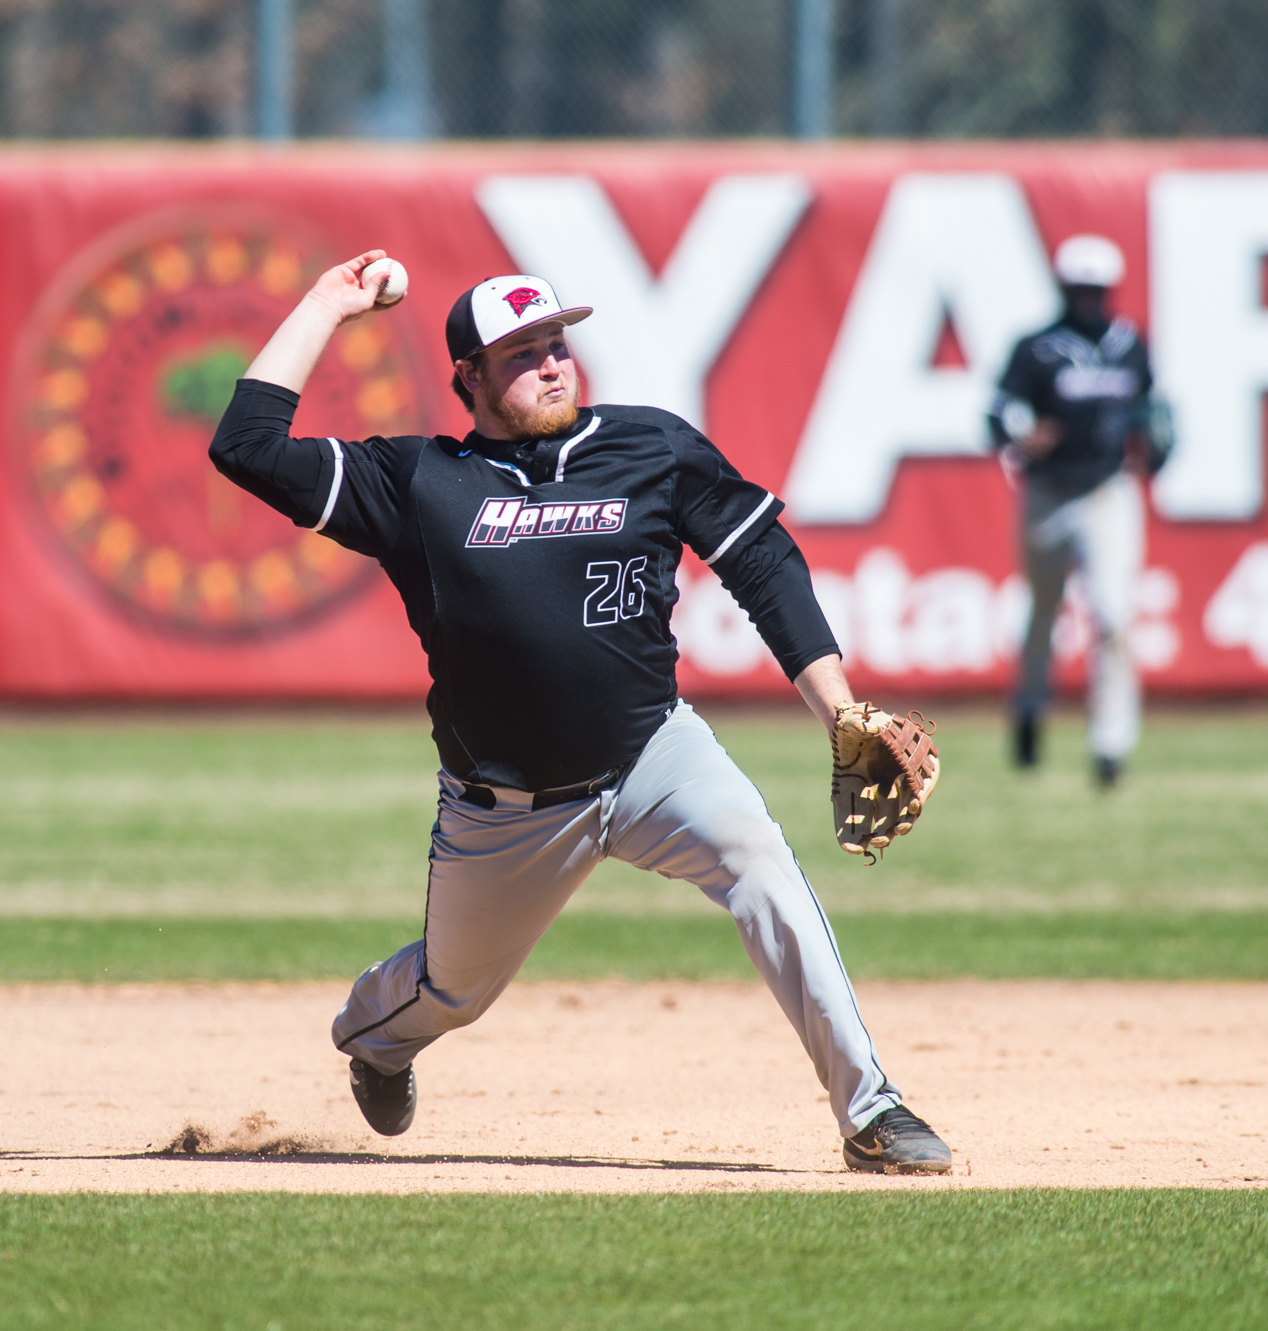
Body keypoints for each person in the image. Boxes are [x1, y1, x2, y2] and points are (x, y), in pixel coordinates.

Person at [209, 253, 952, 1175]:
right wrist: (327, 304)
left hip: (653, 752)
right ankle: (375, 1039)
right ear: (468, 379)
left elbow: (761, 563)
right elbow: (245, 448)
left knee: (762, 861)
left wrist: (839, 711)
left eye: (557, 341)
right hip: (507, 804)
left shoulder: (652, 448)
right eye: (521, 352)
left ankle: (871, 1109)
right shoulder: (416, 483)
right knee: (452, 991)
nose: (552, 362)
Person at [987, 234, 1169, 788]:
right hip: (1047, 493)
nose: (1089, 300)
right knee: (1044, 611)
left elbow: (1152, 411)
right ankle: (1029, 710)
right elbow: (998, 413)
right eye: (1079, 289)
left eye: (1097, 289)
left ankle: (1110, 743)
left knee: (1113, 617)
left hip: (1107, 491)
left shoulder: (1129, 344)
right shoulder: (1037, 347)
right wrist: (1023, 435)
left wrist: (1156, 449)